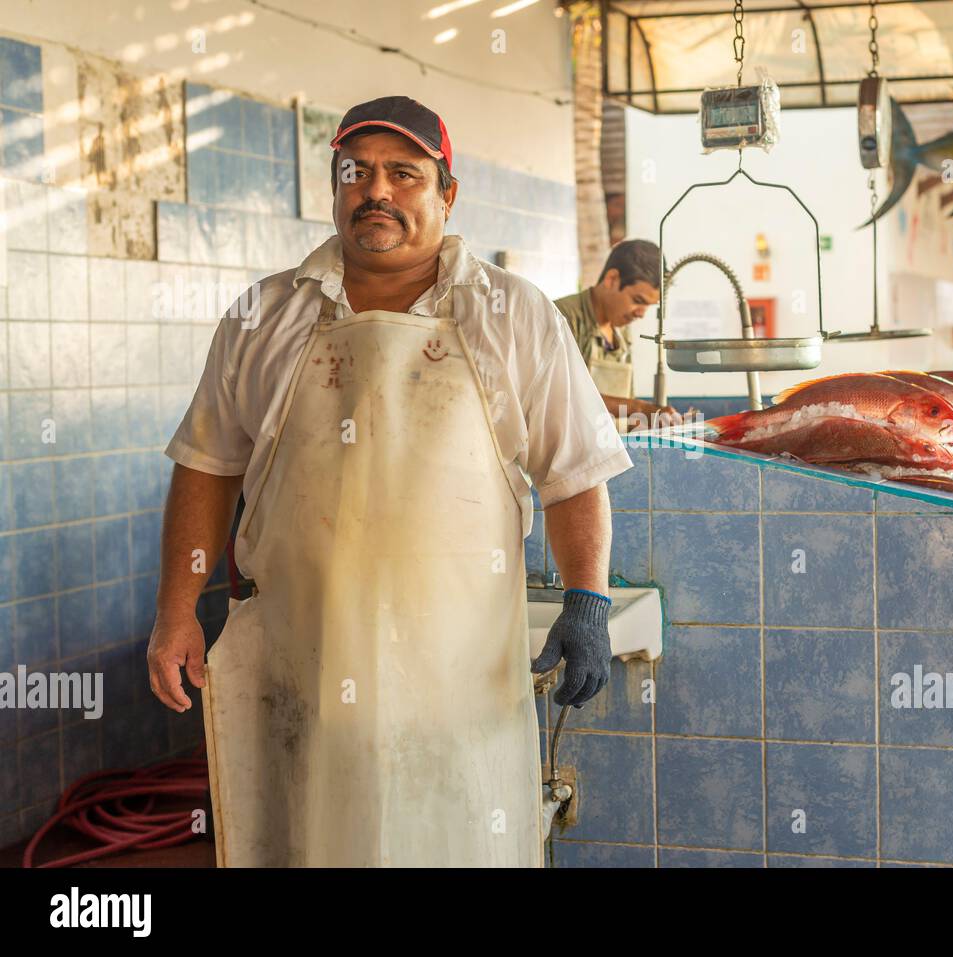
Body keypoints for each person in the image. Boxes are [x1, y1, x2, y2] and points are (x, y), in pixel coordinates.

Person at [145, 95, 631, 868]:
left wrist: (588, 599)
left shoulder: (513, 314)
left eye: (403, 173)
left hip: (457, 686)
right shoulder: (261, 315)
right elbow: (206, 468)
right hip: (300, 671)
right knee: (307, 843)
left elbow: (574, 475)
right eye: (356, 171)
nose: (376, 190)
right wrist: (176, 608)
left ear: (446, 193)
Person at [554, 240, 682, 428]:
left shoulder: (621, 330)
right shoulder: (562, 318)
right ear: (612, 279)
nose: (641, 313)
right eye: (638, 300)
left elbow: (624, 409)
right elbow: (560, 395)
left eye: (648, 305)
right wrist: (640, 408)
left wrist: (653, 421)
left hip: (610, 449)